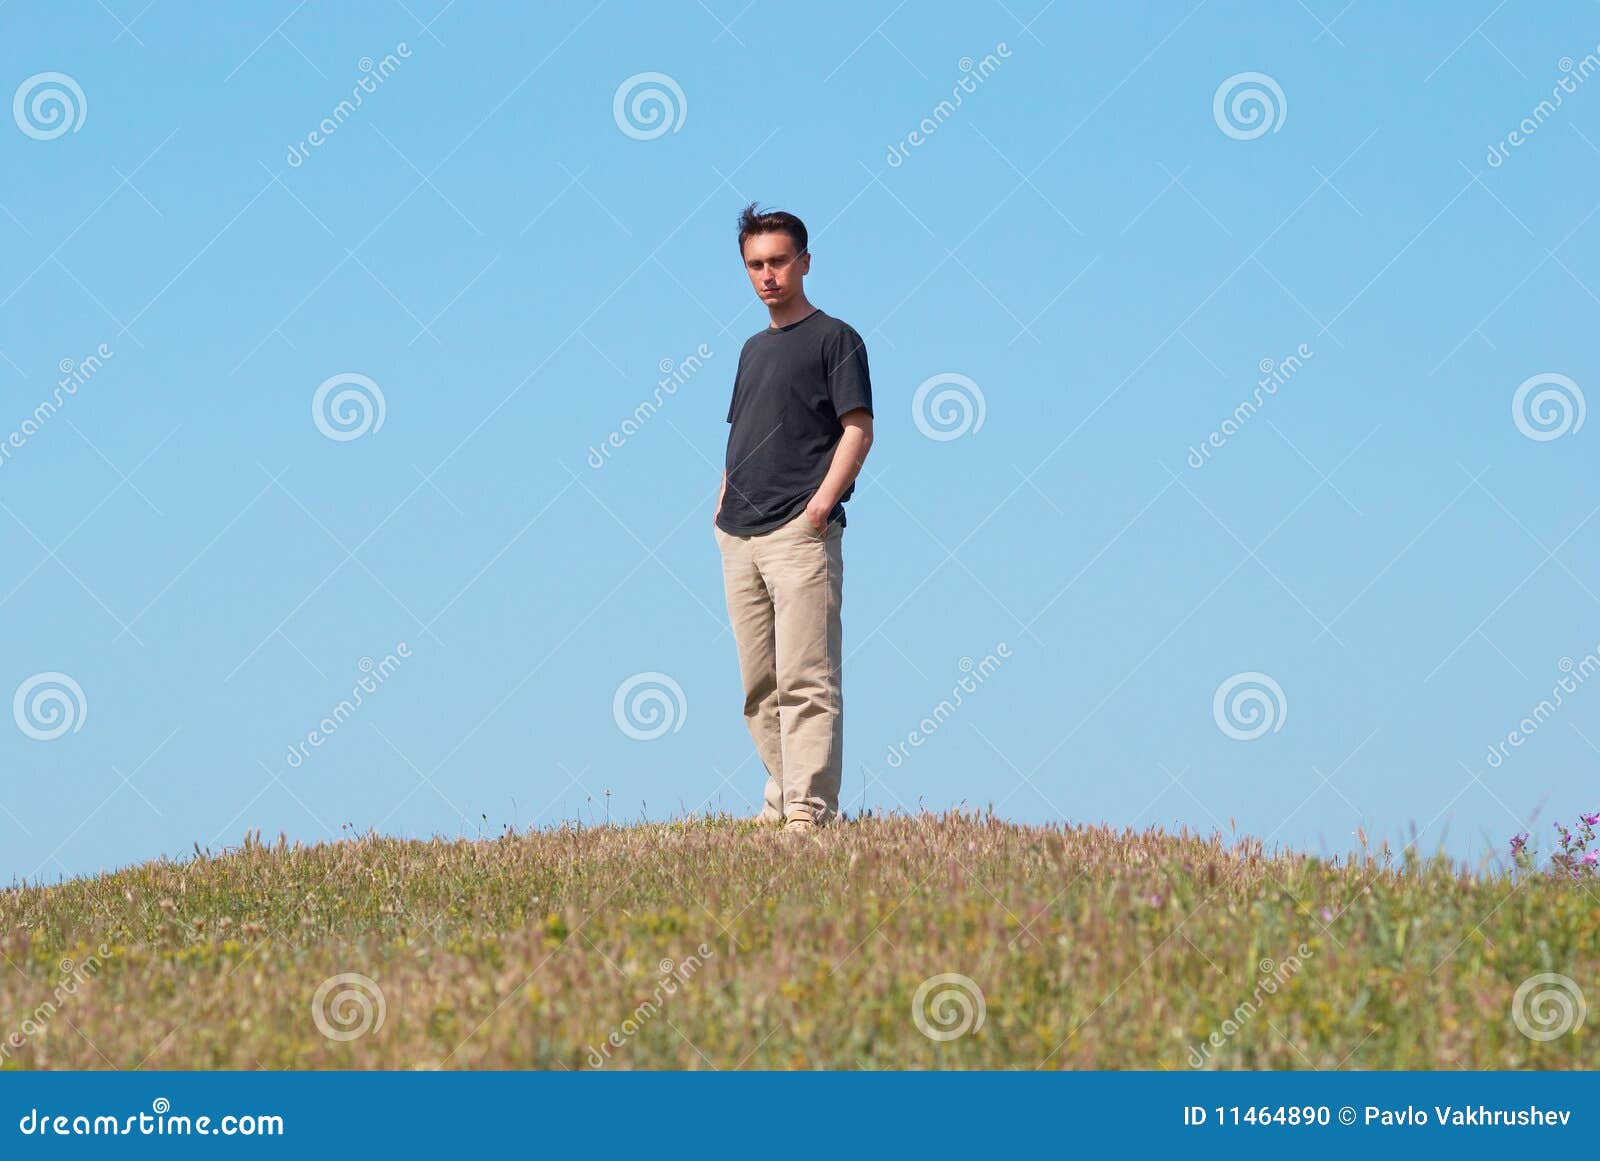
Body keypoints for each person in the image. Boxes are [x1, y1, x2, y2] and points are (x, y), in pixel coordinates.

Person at [713, 203, 875, 836]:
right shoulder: (753, 349)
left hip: (799, 531)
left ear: (804, 262)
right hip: (738, 533)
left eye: (779, 262)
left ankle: (809, 811)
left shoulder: (837, 338)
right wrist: (721, 502)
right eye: (755, 265)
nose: (767, 275)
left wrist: (820, 506)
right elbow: (741, 433)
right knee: (759, 685)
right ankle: (781, 797)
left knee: (808, 678)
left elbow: (857, 429)